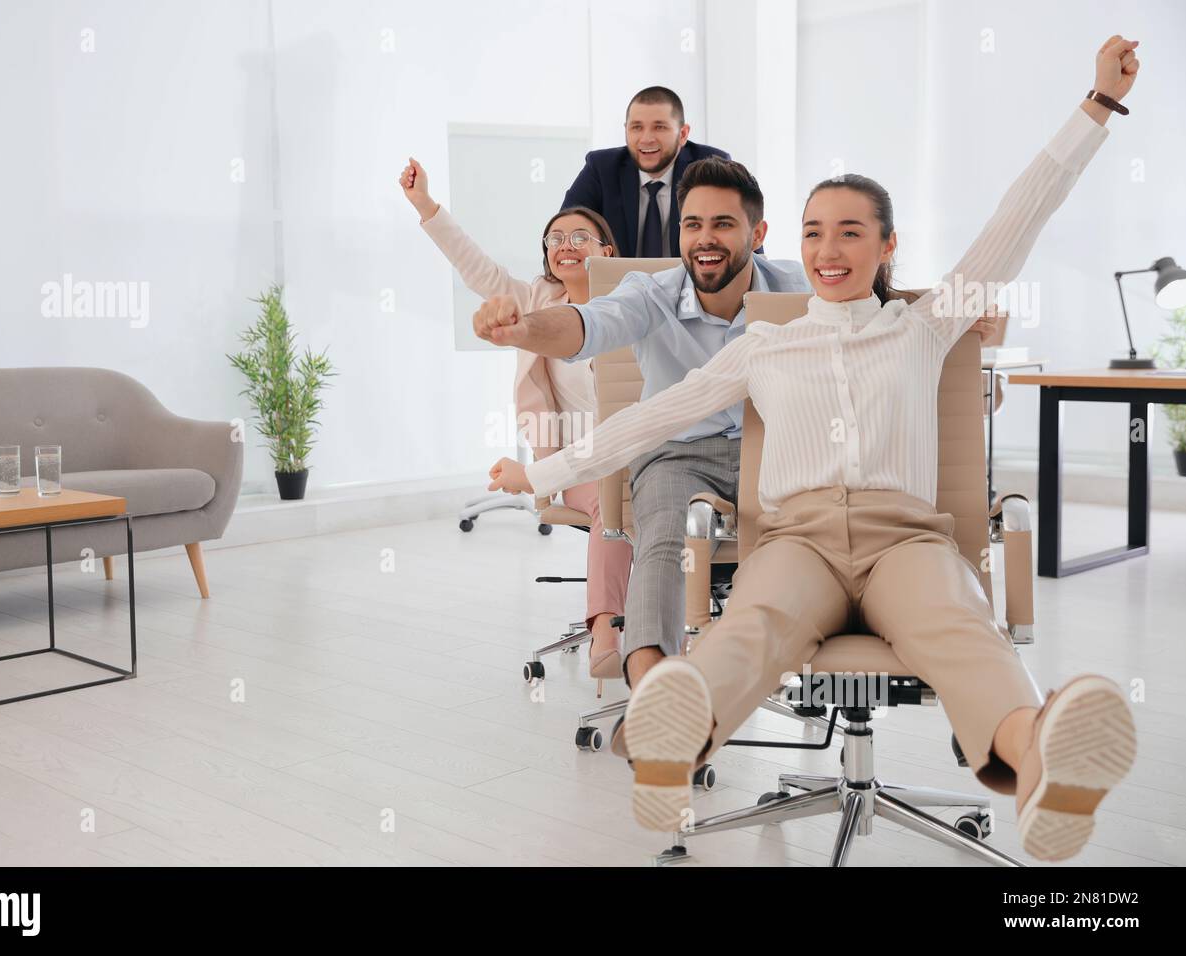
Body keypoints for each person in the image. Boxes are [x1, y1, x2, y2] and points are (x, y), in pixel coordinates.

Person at [482, 36, 1142, 863]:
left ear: (886, 247)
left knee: (960, 627)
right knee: (751, 625)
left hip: (906, 536)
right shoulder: (766, 343)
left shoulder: (924, 325)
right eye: (816, 233)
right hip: (796, 539)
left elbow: (1021, 216)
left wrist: (1096, 109)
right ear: (796, 242)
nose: (829, 251)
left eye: (852, 233)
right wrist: (538, 474)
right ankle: (672, 748)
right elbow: (648, 422)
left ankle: (1043, 761)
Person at [477, 156, 809, 698]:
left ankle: (791, 664)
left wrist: (972, 320)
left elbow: (880, 313)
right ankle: (657, 693)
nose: (705, 239)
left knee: (816, 537)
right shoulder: (650, 291)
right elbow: (588, 324)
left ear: (758, 232)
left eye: (723, 224)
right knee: (663, 543)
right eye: (692, 224)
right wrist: (525, 329)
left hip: (776, 451)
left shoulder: (797, 287)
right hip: (677, 453)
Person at [399, 157, 632, 680]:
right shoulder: (537, 301)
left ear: (607, 252)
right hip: (577, 465)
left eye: (580, 236)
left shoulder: (633, 306)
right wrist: (425, 206)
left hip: (640, 452)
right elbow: (476, 267)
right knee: (612, 501)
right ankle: (605, 629)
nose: (565, 244)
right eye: (555, 239)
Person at [562, 86, 739, 258]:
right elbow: (563, 234)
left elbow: (747, 246)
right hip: (618, 286)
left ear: (683, 134)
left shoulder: (711, 166)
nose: (646, 139)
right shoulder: (601, 168)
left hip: (691, 285)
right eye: (636, 127)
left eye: (659, 127)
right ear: (626, 130)